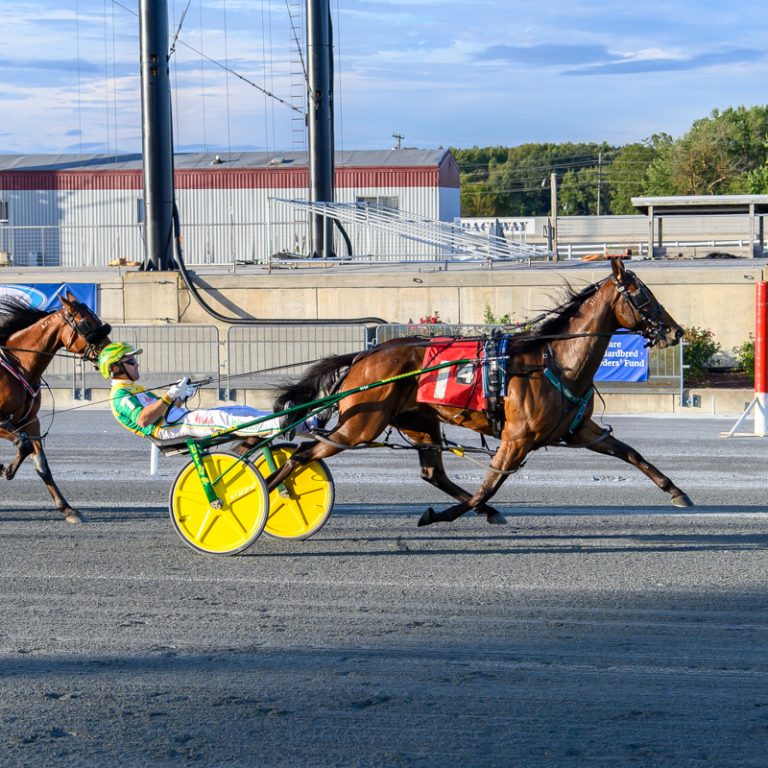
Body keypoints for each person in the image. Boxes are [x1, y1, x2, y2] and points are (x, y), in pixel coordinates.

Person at [98, 342, 290, 442]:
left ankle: (299, 422)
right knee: (223, 420)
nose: (136, 364)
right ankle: (279, 425)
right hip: (167, 429)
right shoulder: (120, 395)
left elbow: (162, 410)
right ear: (116, 368)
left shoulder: (133, 388)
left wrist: (181, 397)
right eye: (131, 362)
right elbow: (143, 419)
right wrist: (169, 395)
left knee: (238, 410)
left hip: (174, 420)